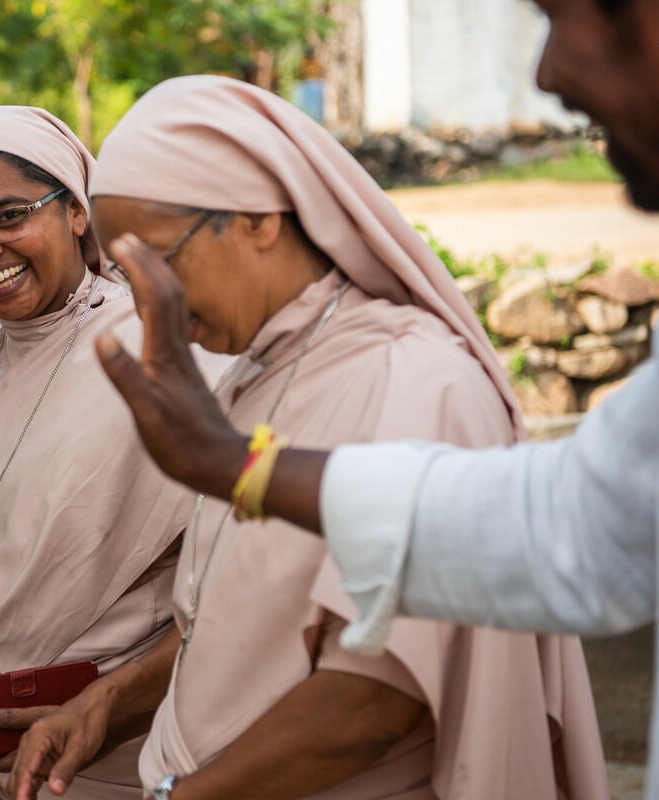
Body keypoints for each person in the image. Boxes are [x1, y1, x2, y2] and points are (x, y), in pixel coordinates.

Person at [83, 0, 659, 796]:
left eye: (159, 264)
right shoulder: (251, 368)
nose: (544, 72)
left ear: (254, 218)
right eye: (123, 278)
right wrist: (111, 700)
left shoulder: (413, 376)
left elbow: (375, 701)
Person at [0, 106, 229, 800]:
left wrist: (107, 705)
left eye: (8, 215)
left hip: (114, 758)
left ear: (78, 211)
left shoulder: (160, 353)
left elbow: (241, 594)